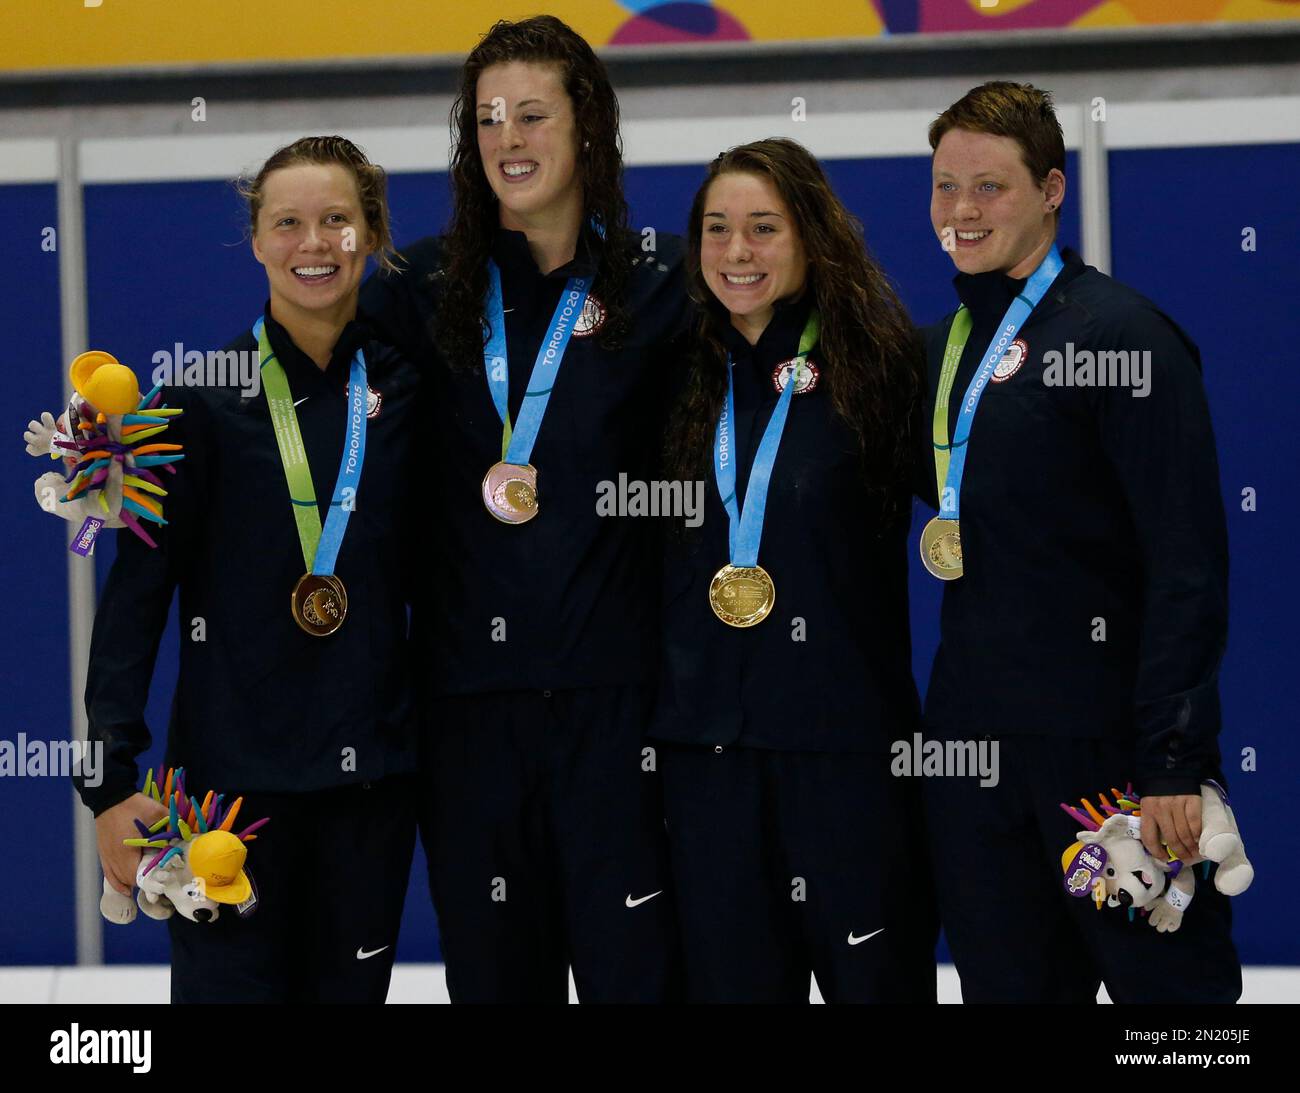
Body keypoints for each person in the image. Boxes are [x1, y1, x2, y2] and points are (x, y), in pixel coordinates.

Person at [360, 16, 685, 1003]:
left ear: (587, 126)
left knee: (640, 982)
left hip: (623, 710)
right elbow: (305, 412)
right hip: (469, 713)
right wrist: (142, 447)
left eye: (531, 113)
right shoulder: (416, 289)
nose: (507, 138)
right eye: (488, 118)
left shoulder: (665, 281)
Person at [74, 136, 421, 1003]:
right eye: (289, 223)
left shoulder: (415, 390)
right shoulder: (194, 402)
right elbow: (133, 603)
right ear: (257, 241)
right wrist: (110, 785)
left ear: (371, 235)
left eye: (338, 220)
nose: (314, 242)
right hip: (225, 804)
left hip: (368, 790)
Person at [917, 81, 1241, 1003]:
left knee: (1179, 1026)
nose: (962, 211)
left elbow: (1188, 563)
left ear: (1053, 189)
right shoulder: (941, 351)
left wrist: (1173, 761)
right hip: (977, 760)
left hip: (1111, 763)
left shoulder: (1127, 338)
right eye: (945, 186)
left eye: (990, 186)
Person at [651, 138, 937, 1003]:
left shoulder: (884, 371)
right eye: (717, 229)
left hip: (848, 759)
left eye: (764, 229)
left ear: (812, 237)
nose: (737, 253)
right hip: (708, 759)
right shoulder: (666, 379)